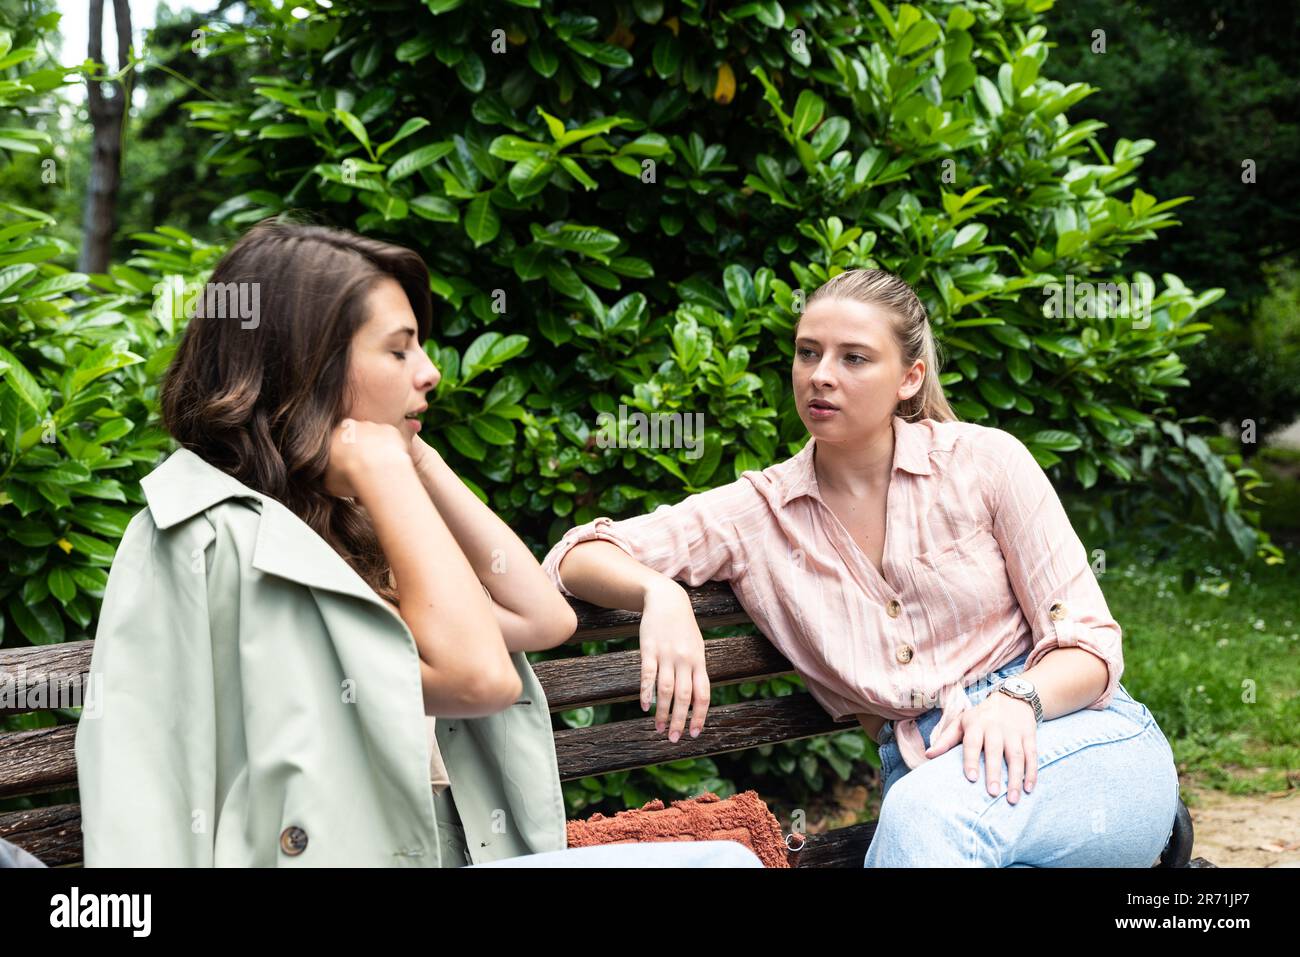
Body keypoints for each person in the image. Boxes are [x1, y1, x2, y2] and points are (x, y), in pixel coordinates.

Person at [73, 215, 761, 869]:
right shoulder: (194, 533)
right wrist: (385, 469)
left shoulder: (355, 521)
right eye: (399, 350)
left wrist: (417, 463)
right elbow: (139, 778)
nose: (429, 371)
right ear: (307, 367)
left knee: (725, 860)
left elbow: (541, 618)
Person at [542, 267, 1182, 867]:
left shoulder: (986, 464)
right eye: (807, 352)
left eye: (854, 358)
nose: (821, 375)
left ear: (910, 377)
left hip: (1072, 736)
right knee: (932, 812)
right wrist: (660, 594)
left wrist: (1018, 700)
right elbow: (574, 554)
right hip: (932, 776)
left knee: (931, 815)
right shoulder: (756, 513)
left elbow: (1091, 644)